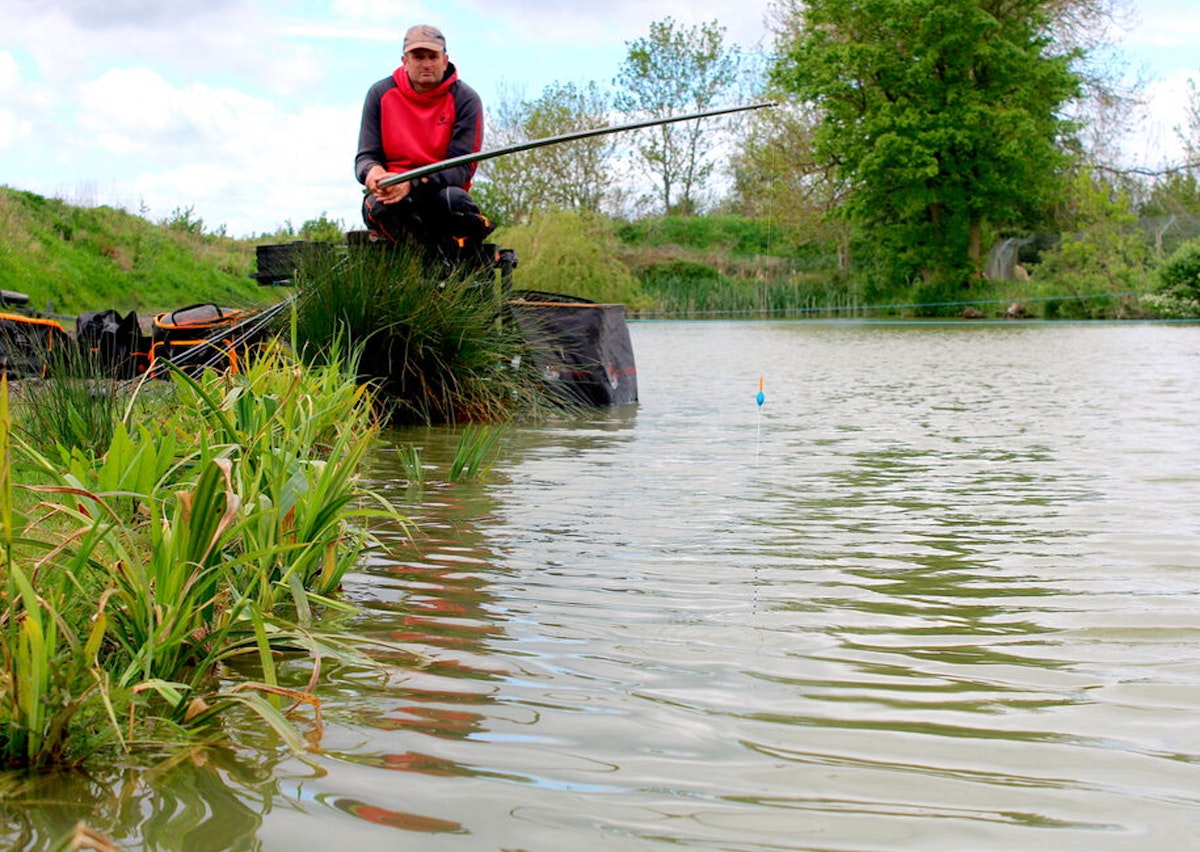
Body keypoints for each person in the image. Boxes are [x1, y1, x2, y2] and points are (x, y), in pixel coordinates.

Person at [355, 24, 494, 266]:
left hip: (441, 192)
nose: (426, 64)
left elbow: (462, 168)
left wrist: (413, 183)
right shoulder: (379, 94)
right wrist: (373, 173)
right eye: (418, 57)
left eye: (433, 56)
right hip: (393, 194)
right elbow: (365, 158)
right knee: (376, 207)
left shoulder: (466, 99)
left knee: (456, 202)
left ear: (445, 60)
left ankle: (463, 271)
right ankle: (428, 267)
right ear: (404, 60)